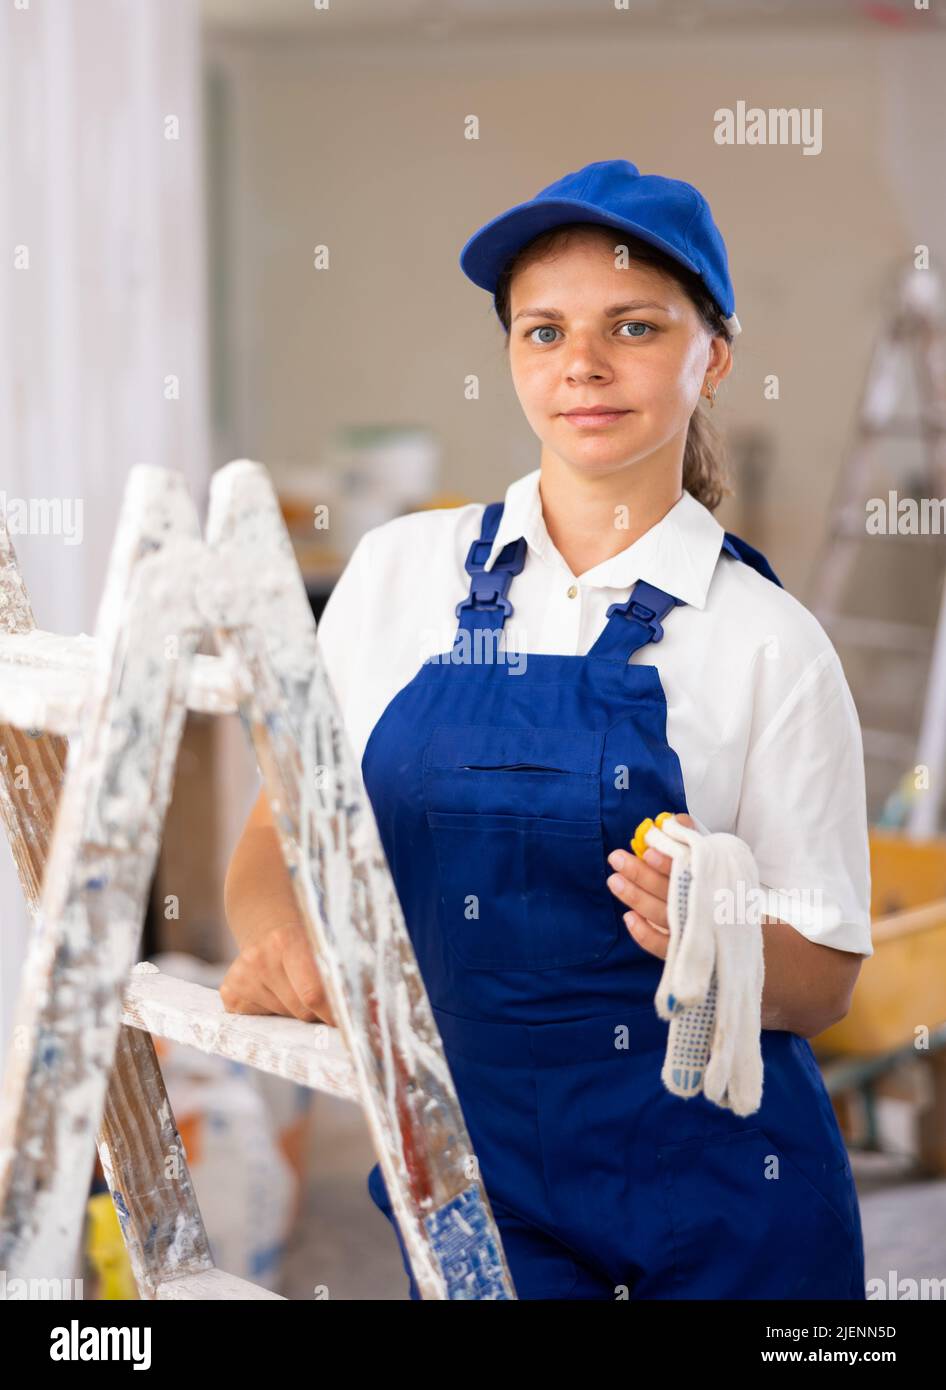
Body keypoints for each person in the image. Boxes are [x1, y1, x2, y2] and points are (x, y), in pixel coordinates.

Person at [222, 159, 873, 1300]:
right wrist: (279, 936)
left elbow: (822, 979)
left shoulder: (769, 641)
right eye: (542, 330)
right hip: (470, 1173)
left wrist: (717, 940)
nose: (581, 363)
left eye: (633, 325)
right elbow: (285, 828)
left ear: (709, 355)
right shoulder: (394, 578)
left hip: (727, 1197)